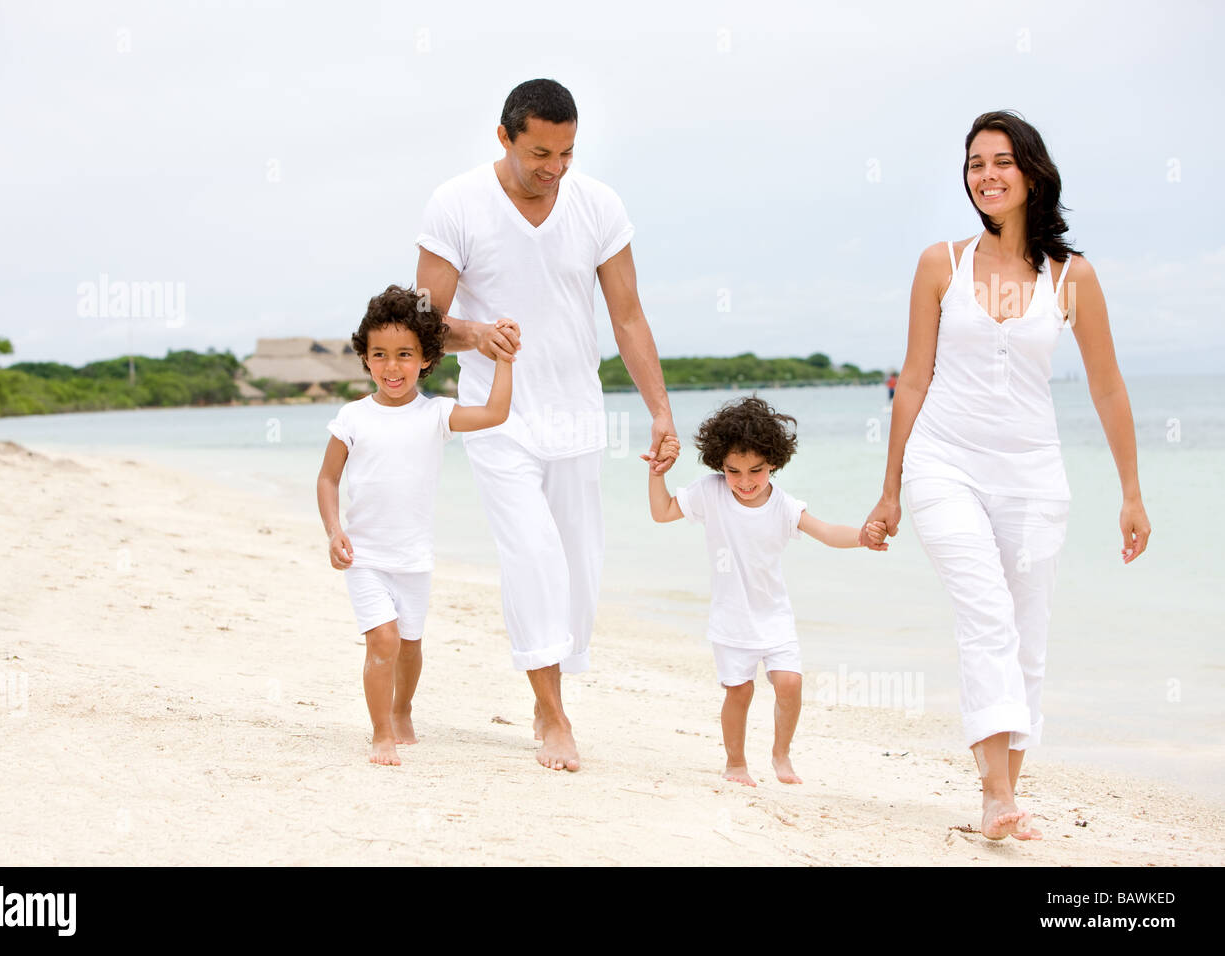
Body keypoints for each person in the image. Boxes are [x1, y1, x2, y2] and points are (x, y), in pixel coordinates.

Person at [861, 111, 1151, 840]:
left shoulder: (1071, 276)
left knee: (1026, 633)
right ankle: (994, 795)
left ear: (1031, 172)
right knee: (986, 613)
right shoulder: (940, 264)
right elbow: (915, 382)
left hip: (1033, 476)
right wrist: (892, 487)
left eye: (999, 162)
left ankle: (1005, 795)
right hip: (943, 464)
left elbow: (1108, 386)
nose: (985, 176)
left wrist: (1132, 493)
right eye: (973, 164)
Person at [415, 78, 677, 772]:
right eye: (539, 152)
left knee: (578, 572)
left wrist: (660, 411)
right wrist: (474, 333)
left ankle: (550, 694)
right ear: (503, 138)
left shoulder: (598, 206)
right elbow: (423, 324)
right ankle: (554, 714)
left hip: (578, 414)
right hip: (498, 415)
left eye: (566, 152)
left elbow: (627, 316)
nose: (554, 168)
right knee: (531, 554)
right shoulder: (456, 204)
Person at [316, 285, 515, 767]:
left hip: (414, 557)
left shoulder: (437, 414)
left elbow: (495, 413)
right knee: (382, 640)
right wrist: (333, 531)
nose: (392, 366)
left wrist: (505, 360)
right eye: (379, 355)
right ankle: (381, 732)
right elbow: (327, 478)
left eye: (405, 354)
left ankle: (403, 710)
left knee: (409, 644)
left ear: (426, 358)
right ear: (365, 358)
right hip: (364, 556)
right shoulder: (352, 417)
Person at [648, 396, 888, 786]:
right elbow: (661, 512)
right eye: (733, 471)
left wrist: (864, 537)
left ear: (774, 462)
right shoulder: (709, 493)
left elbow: (827, 532)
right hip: (731, 619)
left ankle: (781, 754)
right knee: (739, 692)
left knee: (790, 684)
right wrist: (657, 473)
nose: (744, 482)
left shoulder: (784, 506)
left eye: (755, 471)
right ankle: (736, 763)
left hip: (774, 615)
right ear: (718, 464)